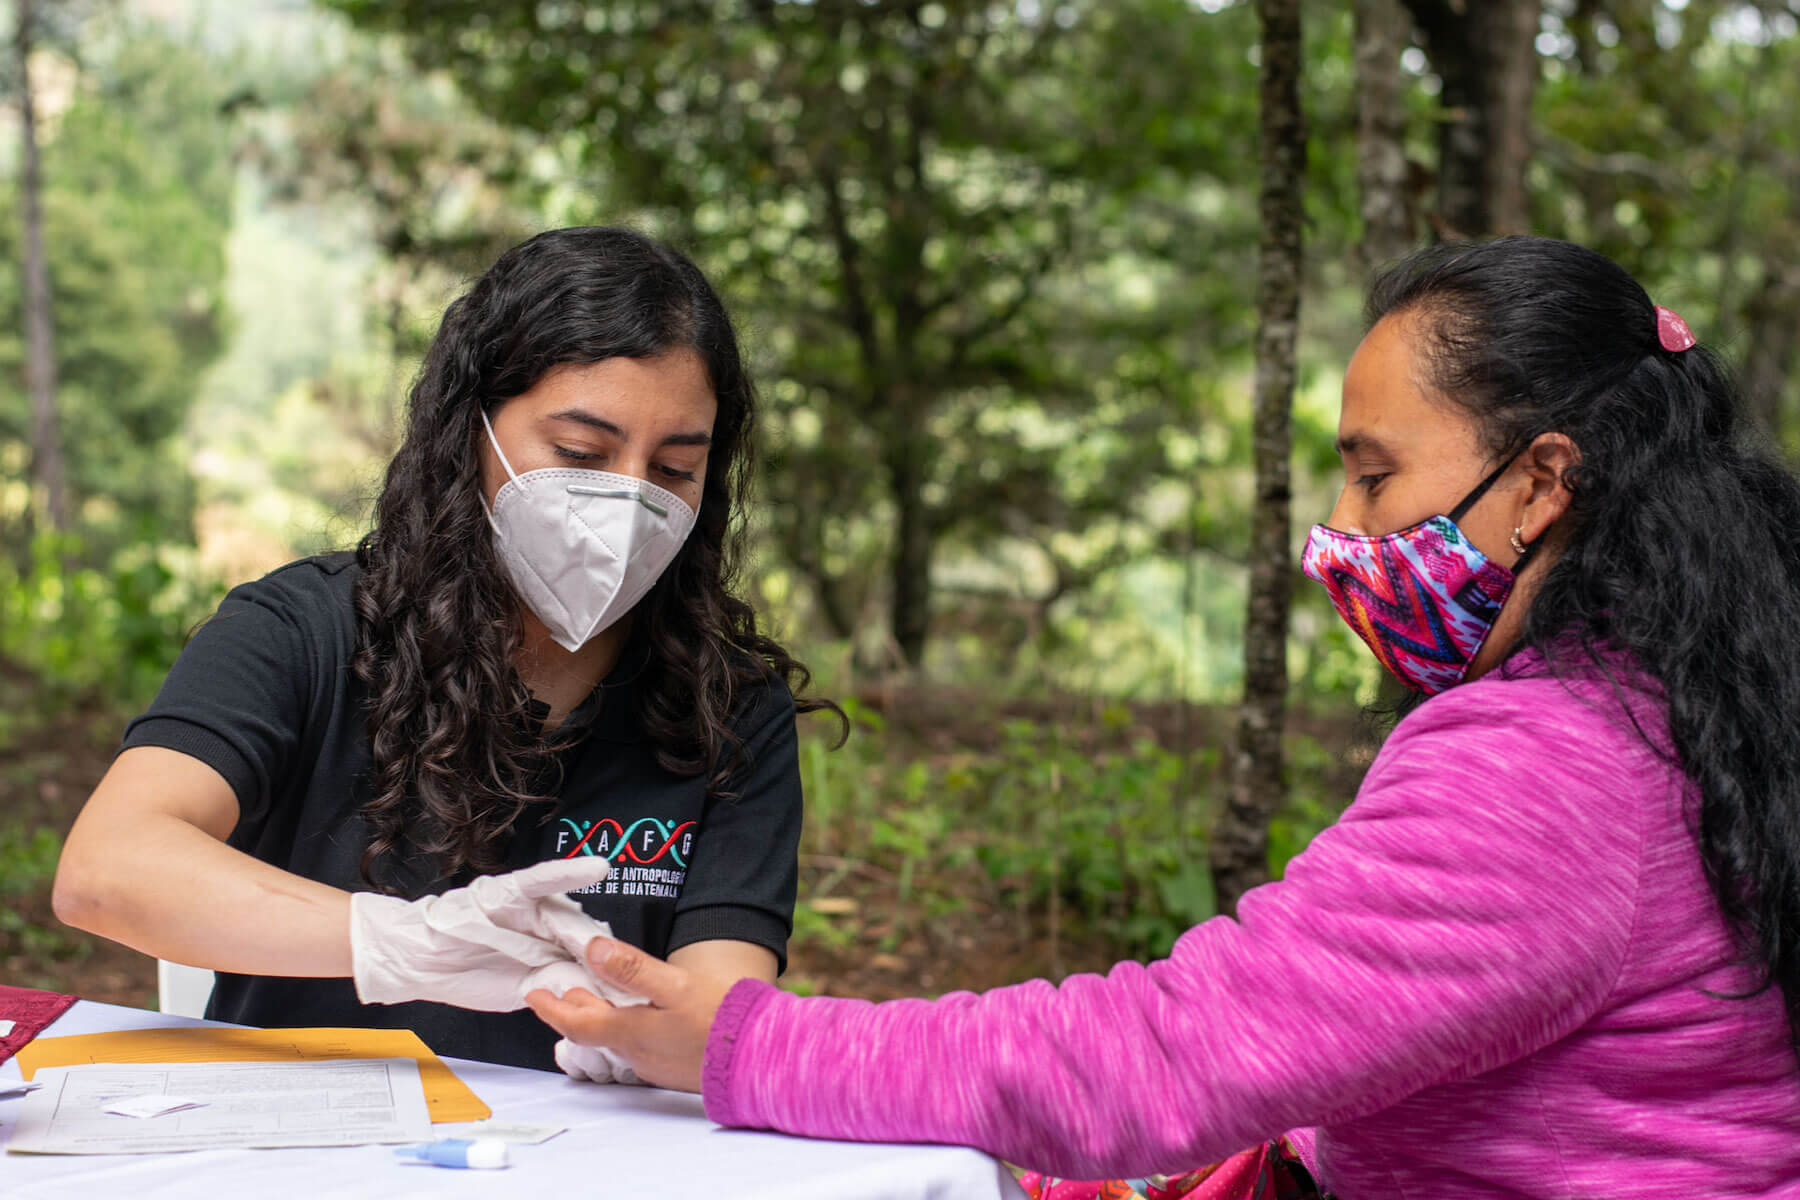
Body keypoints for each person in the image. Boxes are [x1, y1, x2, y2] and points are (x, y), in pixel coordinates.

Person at [529, 236, 1800, 1196]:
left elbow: (1172, 1055)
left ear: (1541, 484)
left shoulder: (1547, 770)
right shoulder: (1691, 709)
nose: (1343, 535)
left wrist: (746, 1047)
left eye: (1374, 477)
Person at [54, 226, 834, 1073]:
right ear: (472, 431)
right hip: (298, 1146)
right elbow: (108, 868)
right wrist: (404, 940)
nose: (628, 501)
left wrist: (660, 1037)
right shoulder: (302, 633)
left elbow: (717, 1007)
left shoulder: (726, 710)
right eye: (581, 454)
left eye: (676, 469)